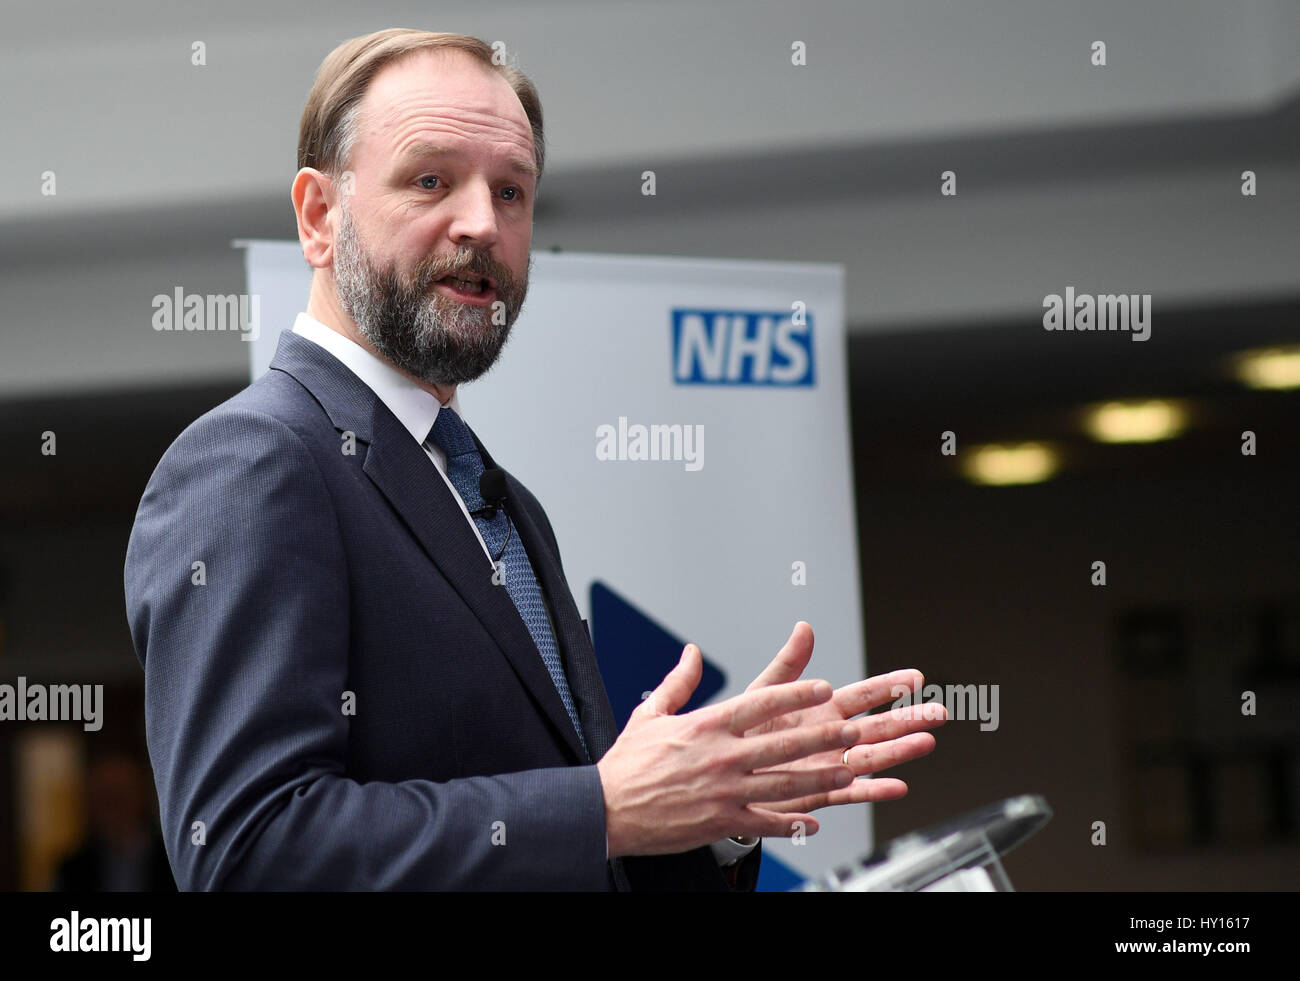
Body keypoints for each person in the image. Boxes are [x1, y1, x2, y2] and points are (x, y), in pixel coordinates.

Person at [124, 28, 946, 891]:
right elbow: (249, 853)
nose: (483, 222)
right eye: (431, 179)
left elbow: (583, 852)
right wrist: (605, 806)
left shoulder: (501, 501)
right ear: (320, 217)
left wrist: (711, 816)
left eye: (511, 191)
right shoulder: (252, 460)